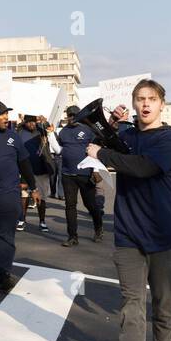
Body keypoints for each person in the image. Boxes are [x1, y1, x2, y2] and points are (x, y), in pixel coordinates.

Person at [88, 80, 171, 341]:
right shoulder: (127, 136)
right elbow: (97, 156)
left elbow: (143, 167)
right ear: (133, 103)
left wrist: (104, 152)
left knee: (163, 301)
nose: (146, 104)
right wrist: (107, 131)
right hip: (129, 232)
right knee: (132, 302)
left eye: (152, 99)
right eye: (140, 99)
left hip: (164, 232)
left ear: (161, 104)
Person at [0, 102, 39, 291]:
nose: (6, 118)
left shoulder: (14, 137)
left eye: (6, 114)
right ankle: (0, 271)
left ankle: (5, 273)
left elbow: (25, 164)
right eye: (1, 114)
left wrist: (33, 187)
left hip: (9, 194)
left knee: (5, 235)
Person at [56, 104, 104, 246]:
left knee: (90, 205)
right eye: (69, 115)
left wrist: (95, 170)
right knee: (70, 206)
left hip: (85, 173)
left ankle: (98, 227)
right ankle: (72, 237)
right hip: (67, 174)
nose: (71, 118)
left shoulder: (88, 130)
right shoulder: (63, 132)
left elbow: (95, 151)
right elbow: (59, 148)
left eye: (74, 115)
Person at [17, 115, 52, 232]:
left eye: (34, 121)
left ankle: (42, 221)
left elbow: (50, 132)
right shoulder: (19, 133)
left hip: (41, 170)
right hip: (25, 171)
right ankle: (22, 219)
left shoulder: (42, 131)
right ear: (25, 122)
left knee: (41, 198)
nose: (32, 124)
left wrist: (46, 129)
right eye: (29, 122)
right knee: (24, 196)